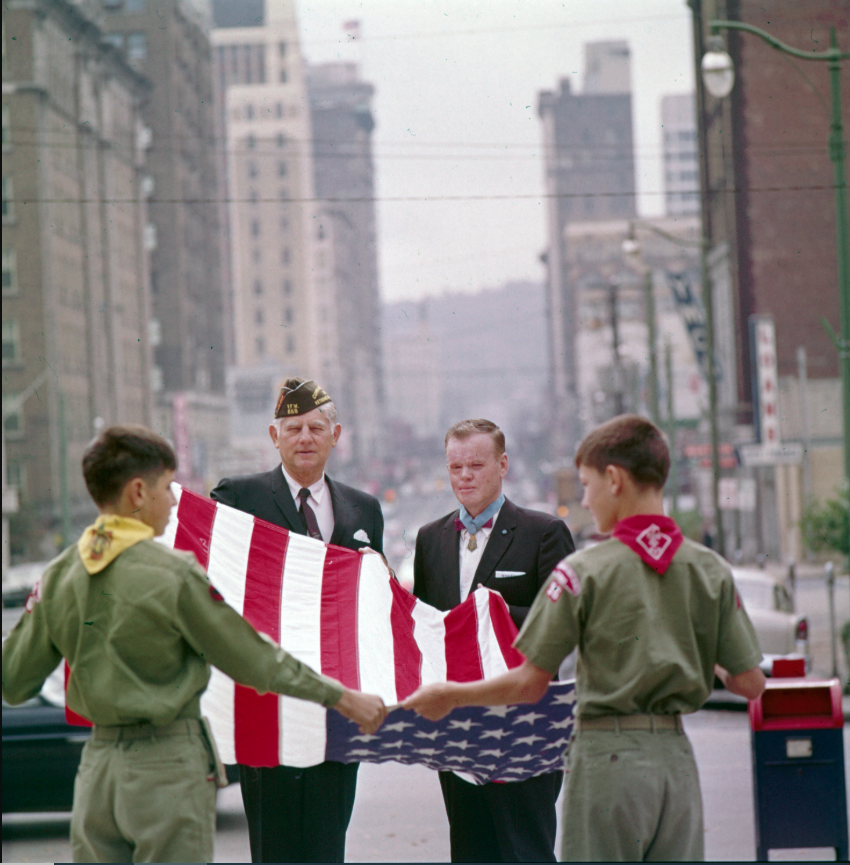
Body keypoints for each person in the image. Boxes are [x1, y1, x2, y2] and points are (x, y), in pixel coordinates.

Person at [1, 424, 386, 864]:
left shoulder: (60, 575)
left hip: (96, 775)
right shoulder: (172, 575)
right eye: (167, 488)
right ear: (138, 492)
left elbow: (13, 683)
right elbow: (254, 660)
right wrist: (341, 697)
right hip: (165, 770)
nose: (173, 500)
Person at [404, 414, 766, 863]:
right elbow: (750, 682)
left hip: (604, 756)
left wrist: (449, 694)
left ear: (613, 480)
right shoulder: (709, 569)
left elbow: (530, 681)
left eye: (586, 484)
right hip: (675, 758)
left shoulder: (585, 572)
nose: (585, 500)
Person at [211, 377, 385, 864]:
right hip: (269, 703)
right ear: (274, 436)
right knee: (275, 849)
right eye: (293, 429)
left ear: (336, 434)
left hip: (337, 706)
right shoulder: (238, 497)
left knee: (329, 845)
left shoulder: (363, 508)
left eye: (315, 427)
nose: (304, 438)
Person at [412, 418, 575, 863]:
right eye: (455, 467)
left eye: (476, 465)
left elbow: (563, 625)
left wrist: (491, 611)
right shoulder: (430, 539)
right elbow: (427, 628)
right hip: (458, 730)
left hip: (524, 726)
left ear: (502, 465)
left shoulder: (543, 532)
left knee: (526, 851)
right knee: (470, 852)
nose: (464, 476)